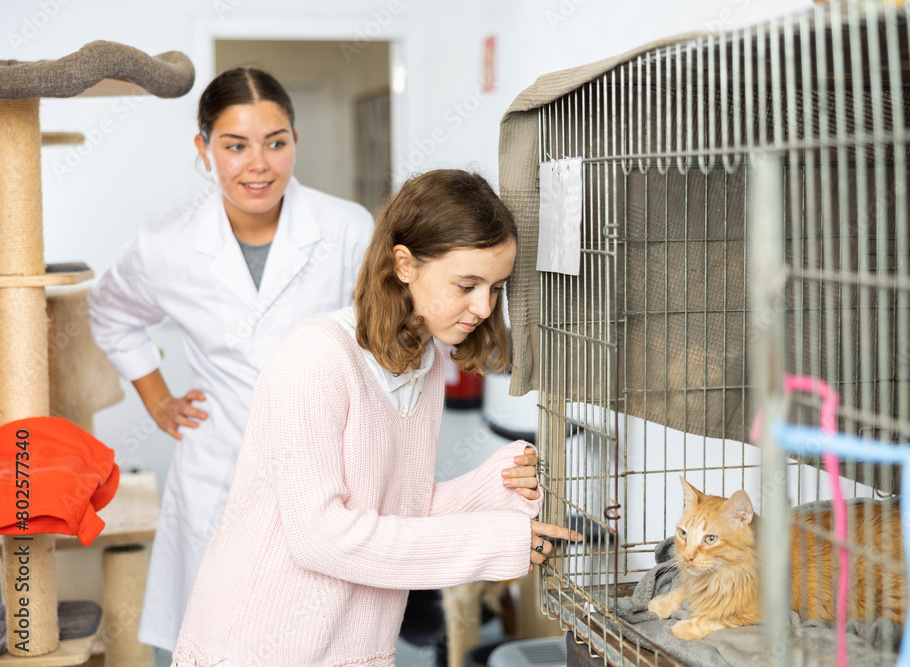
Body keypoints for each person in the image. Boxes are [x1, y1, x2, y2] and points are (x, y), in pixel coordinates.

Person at [170, 170, 581, 667]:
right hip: (258, 646)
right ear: (404, 264)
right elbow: (322, 537)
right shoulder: (315, 357)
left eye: (495, 288)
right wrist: (492, 539)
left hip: (354, 646)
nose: (484, 307)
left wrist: (497, 481)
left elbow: (395, 507)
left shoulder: (424, 364)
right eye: (468, 285)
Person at [88, 67, 374, 652]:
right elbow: (111, 311)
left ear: (296, 140)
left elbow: (380, 339)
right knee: (218, 637)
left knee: (316, 638)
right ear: (203, 149)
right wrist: (159, 400)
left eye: (276, 142)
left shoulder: (345, 228)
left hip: (323, 460)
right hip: (219, 462)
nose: (258, 165)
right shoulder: (163, 242)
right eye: (235, 145)